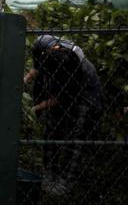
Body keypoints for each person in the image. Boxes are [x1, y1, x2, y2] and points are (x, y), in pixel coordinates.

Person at [25, 35, 102, 196]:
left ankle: (65, 183)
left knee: (75, 138)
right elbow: (36, 67)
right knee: (51, 132)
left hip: (84, 95)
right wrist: (23, 81)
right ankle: (50, 175)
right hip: (64, 88)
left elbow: (58, 99)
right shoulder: (43, 45)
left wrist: (32, 110)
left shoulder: (69, 62)